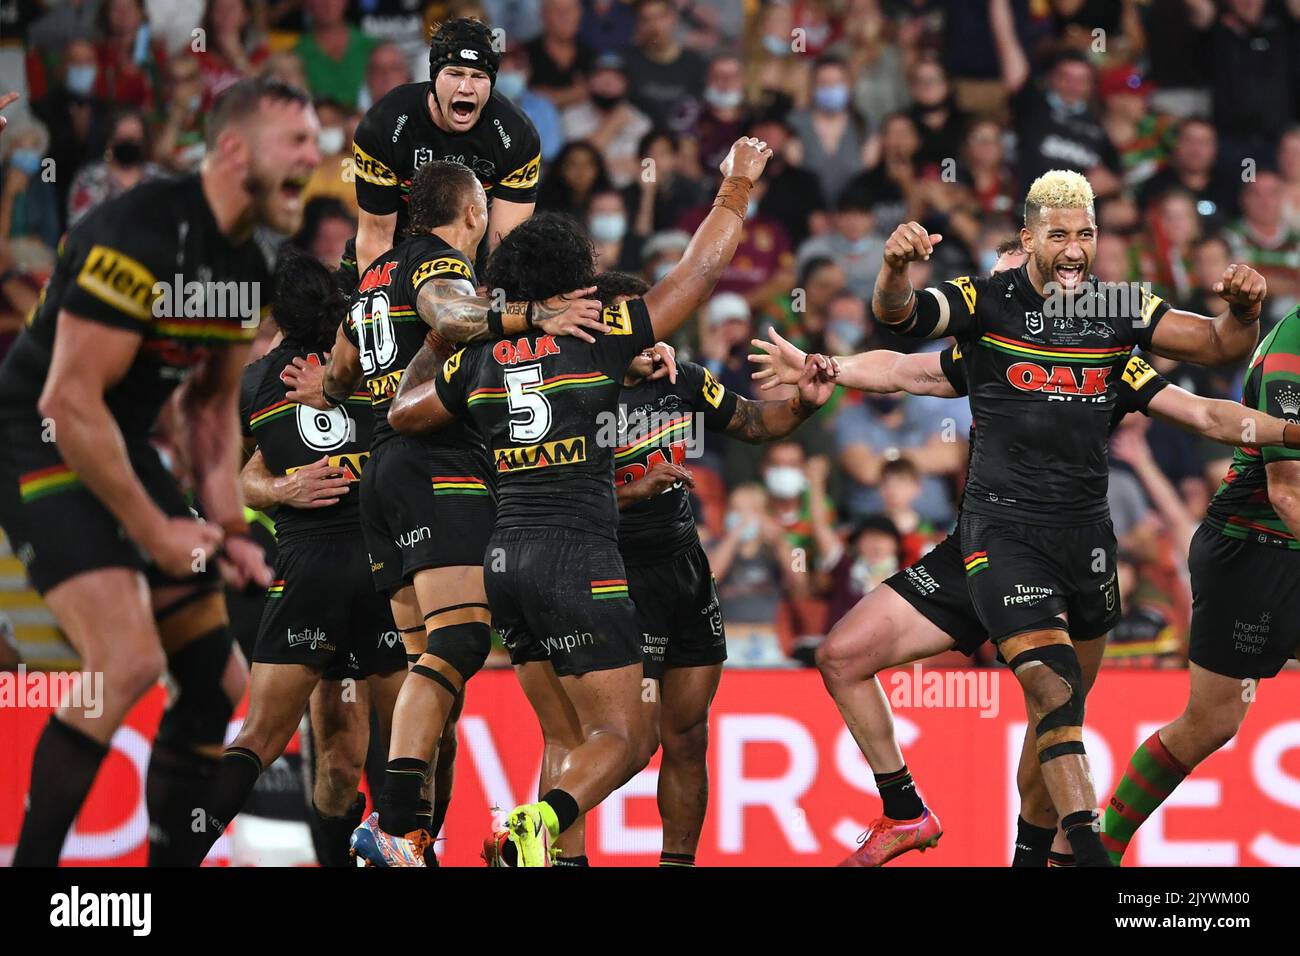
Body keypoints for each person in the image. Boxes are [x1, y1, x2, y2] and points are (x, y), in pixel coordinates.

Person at [753, 253, 1294, 868]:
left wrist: (1281, 419)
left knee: (1051, 711)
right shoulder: (991, 335)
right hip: (983, 545)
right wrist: (831, 365)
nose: (1009, 280)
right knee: (843, 654)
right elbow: (908, 369)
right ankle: (906, 811)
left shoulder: (1109, 345)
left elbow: (1205, 409)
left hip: (1070, 556)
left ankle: (1035, 859)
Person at [387, 137, 778, 866]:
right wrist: (736, 187)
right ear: (574, 283)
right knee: (626, 743)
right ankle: (537, 821)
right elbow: (698, 271)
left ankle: (545, 841)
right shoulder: (596, 334)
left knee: (564, 739)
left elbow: (403, 412)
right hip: (579, 557)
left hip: (504, 562)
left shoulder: (478, 357)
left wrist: (450, 330)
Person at [0, 76, 320, 867]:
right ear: (235, 150)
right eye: (298, 144)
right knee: (129, 659)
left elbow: (208, 416)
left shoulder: (248, 262)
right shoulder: (136, 231)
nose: (314, 162)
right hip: (37, 432)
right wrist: (156, 529)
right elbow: (68, 400)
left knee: (217, 681)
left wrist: (234, 531)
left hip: (122, 437)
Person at [282, 160, 602, 867]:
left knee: (431, 661)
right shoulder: (436, 264)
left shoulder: (369, 279)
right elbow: (450, 315)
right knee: (458, 647)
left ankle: (408, 836)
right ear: (474, 212)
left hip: (380, 477)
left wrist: (343, 392)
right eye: (484, 207)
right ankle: (395, 824)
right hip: (437, 465)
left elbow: (337, 377)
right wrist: (535, 315)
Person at [182, 250, 406, 867]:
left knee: (266, 739)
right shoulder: (391, 370)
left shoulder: (255, 381)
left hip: (309, 573)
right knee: (398, 750)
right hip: (386, 571)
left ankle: (177, 851)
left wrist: (275, 487)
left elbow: (211, 480)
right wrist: (280, 487)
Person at [603, 269, 833, 867]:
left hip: (685, 569)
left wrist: (802, 405)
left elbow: (756, 423)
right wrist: (633, 489)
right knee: (633, 742)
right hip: (618, 576)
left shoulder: (682, 382)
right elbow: (554, 490)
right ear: (603, 327)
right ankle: (544, 827)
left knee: (688, 736)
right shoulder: (581, 392)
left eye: (648, 319)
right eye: (631, 320)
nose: (646, 333)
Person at [1103, 303, 1300, 865]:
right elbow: (1288, 492)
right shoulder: (1292, 350)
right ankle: (1099, 849)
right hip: (1254, 551)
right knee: (1212, 723)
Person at [346, 17, 541, 289]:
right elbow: (376, 239)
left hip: (475, 265)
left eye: (478, 77)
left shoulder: (517, 137)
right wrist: (388, 311)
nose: (466, 87)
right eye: (455, 74)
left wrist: (481, 307)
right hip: (394, 256)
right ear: (434, 77)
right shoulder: (384, 125)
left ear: (491, 83)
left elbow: (503, 245)